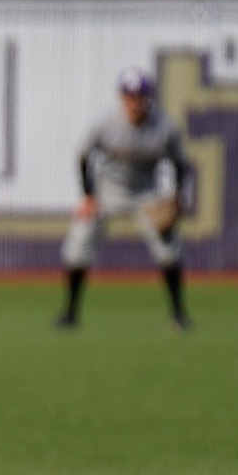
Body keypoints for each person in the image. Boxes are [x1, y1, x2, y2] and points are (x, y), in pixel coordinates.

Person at [57, 66, 194, 331]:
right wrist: (88, 197)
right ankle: (70, 313)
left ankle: (178, 314)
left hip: (145, 191)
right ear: (121, 97)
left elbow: (179, 162)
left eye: (140, 97)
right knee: (78, 246)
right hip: (107, 190)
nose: (134, 103)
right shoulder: (106, 122)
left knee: (169, 249)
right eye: (129, 96)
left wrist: (177, 196)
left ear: (148, 99)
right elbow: (84, 156)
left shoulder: (164, 126)